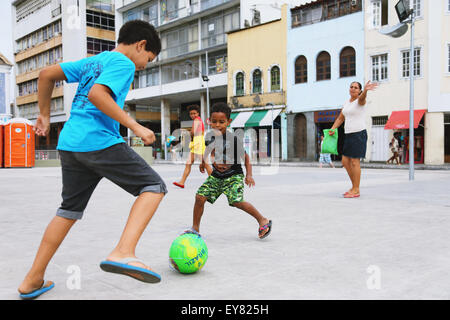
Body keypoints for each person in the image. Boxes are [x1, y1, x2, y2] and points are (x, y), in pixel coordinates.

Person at [18, 20, 167, 300]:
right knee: (153, 187)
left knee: (68, 210)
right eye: (147, 60)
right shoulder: (124, 63)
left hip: (71, 144)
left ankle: (32, 279)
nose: (144, 66)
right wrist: (135, 127)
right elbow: (98, 94)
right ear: (141, 45)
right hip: (97, 141)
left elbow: (47, 73)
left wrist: (45, 114)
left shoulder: (93, 61)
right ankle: (124, 251)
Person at [187, 102, 272, 239]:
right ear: (209, 121)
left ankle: (262, 220)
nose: (217, 125)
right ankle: (195, 228)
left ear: (228, 122)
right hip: (217, 175)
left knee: (236, 201)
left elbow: (246, 158)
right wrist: (203, 162)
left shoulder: (233, 139)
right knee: (199, 197)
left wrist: (249, 175)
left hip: (234, 176)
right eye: (214, 122)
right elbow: (208, 150)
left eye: (222, 122)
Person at [329, 80, 378, 198]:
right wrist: (333, 128)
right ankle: (354, 186)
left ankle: (356, 189)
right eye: (351, 87)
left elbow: (362, 98)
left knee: (355, 162)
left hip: (358, 134)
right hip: (348, 135)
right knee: (345, 161)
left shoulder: (360, 101)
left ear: (359, 90)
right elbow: (341, 118)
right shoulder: (347, 103)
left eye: (356, 87)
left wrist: (365, 91)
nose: (353, 89)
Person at [173, 105, 212, 188]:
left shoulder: (197, 120)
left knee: (205, 164)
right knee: (188, 163)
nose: (192, 115)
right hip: (196, 142)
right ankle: (182, 182)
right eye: (191, 114)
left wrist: (185, 131)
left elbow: (193, 132)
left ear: (198, 113)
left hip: (198, 142)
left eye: (194, 113)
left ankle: (215, 183)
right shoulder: (198, 120)